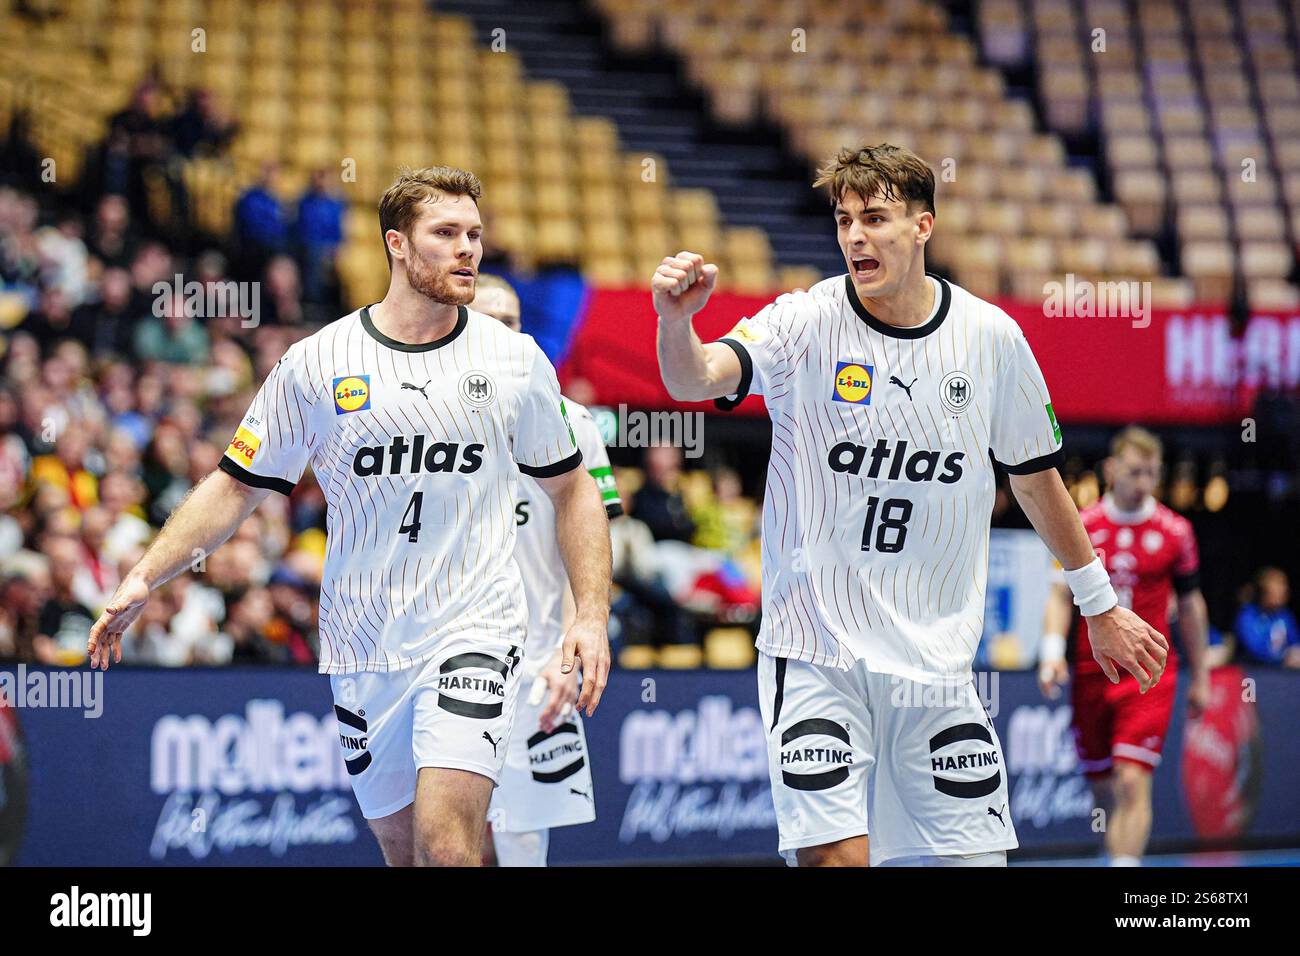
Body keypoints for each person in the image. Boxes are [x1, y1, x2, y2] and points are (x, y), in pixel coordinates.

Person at [653, 143, 1168, 867]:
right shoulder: (803, 322)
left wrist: (1099, 603)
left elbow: (1035, 478)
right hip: (816, 654)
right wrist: (676, 323)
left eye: (876, 218)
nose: (855, 236)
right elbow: (694, 379)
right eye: (843, 221)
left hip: (936, 665)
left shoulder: (990, 338)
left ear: (923, 226)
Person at [87, 166, 613, 867]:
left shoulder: (514, 361)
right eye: (446, 234)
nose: (468, 250)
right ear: (397, 244)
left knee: (448, 846)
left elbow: (574, 491)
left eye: (475, 235)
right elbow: (235, 486)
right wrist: (144, 577)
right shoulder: (319, 362)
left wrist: (590, 616)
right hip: (363, 647)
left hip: (475, 631)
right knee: (405, 855)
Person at [472, 273, 621, 866]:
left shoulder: (572, 422)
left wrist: (572, 647)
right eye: (489, 320)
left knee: (524, 843)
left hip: (538, 668)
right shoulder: (430, 415)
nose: (504, 332)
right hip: (450, 655)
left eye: (512, 321)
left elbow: (587, 542)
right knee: (453, 835)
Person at [1039, 426, 1210, 865]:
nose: (1143, 483)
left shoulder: (1176, 531)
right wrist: (1052, 653)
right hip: (1092, 671)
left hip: (1149, 672)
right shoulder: (1083, 525)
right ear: (1112, 469)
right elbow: (1060, 594)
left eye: (1152, 474)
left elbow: (1191, 607)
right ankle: (1114, 854)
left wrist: (1203, 675)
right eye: (1135, 472)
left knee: (1131, 780)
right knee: (1101, 786)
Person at [1234, 567, 1300, 667]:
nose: (1282, 594)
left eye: (1283, 590)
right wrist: (1282, 657)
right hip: (1252, 672)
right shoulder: (1247, 615)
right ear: (1263, 592)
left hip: (1283, 673)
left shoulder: (1285, 616)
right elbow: (1252, 650)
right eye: (1276, 590)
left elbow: (1295, 642)